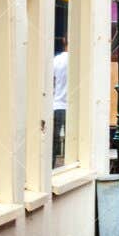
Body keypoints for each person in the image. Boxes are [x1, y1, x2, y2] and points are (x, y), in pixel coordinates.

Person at [51, 33, 69, 167]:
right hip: (74, 107)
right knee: (73, 141)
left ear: (63, 40)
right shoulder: (82, 59)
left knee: (53, 140)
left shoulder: (57, 60)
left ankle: (50, 168)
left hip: (57, 105)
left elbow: (50, 82)